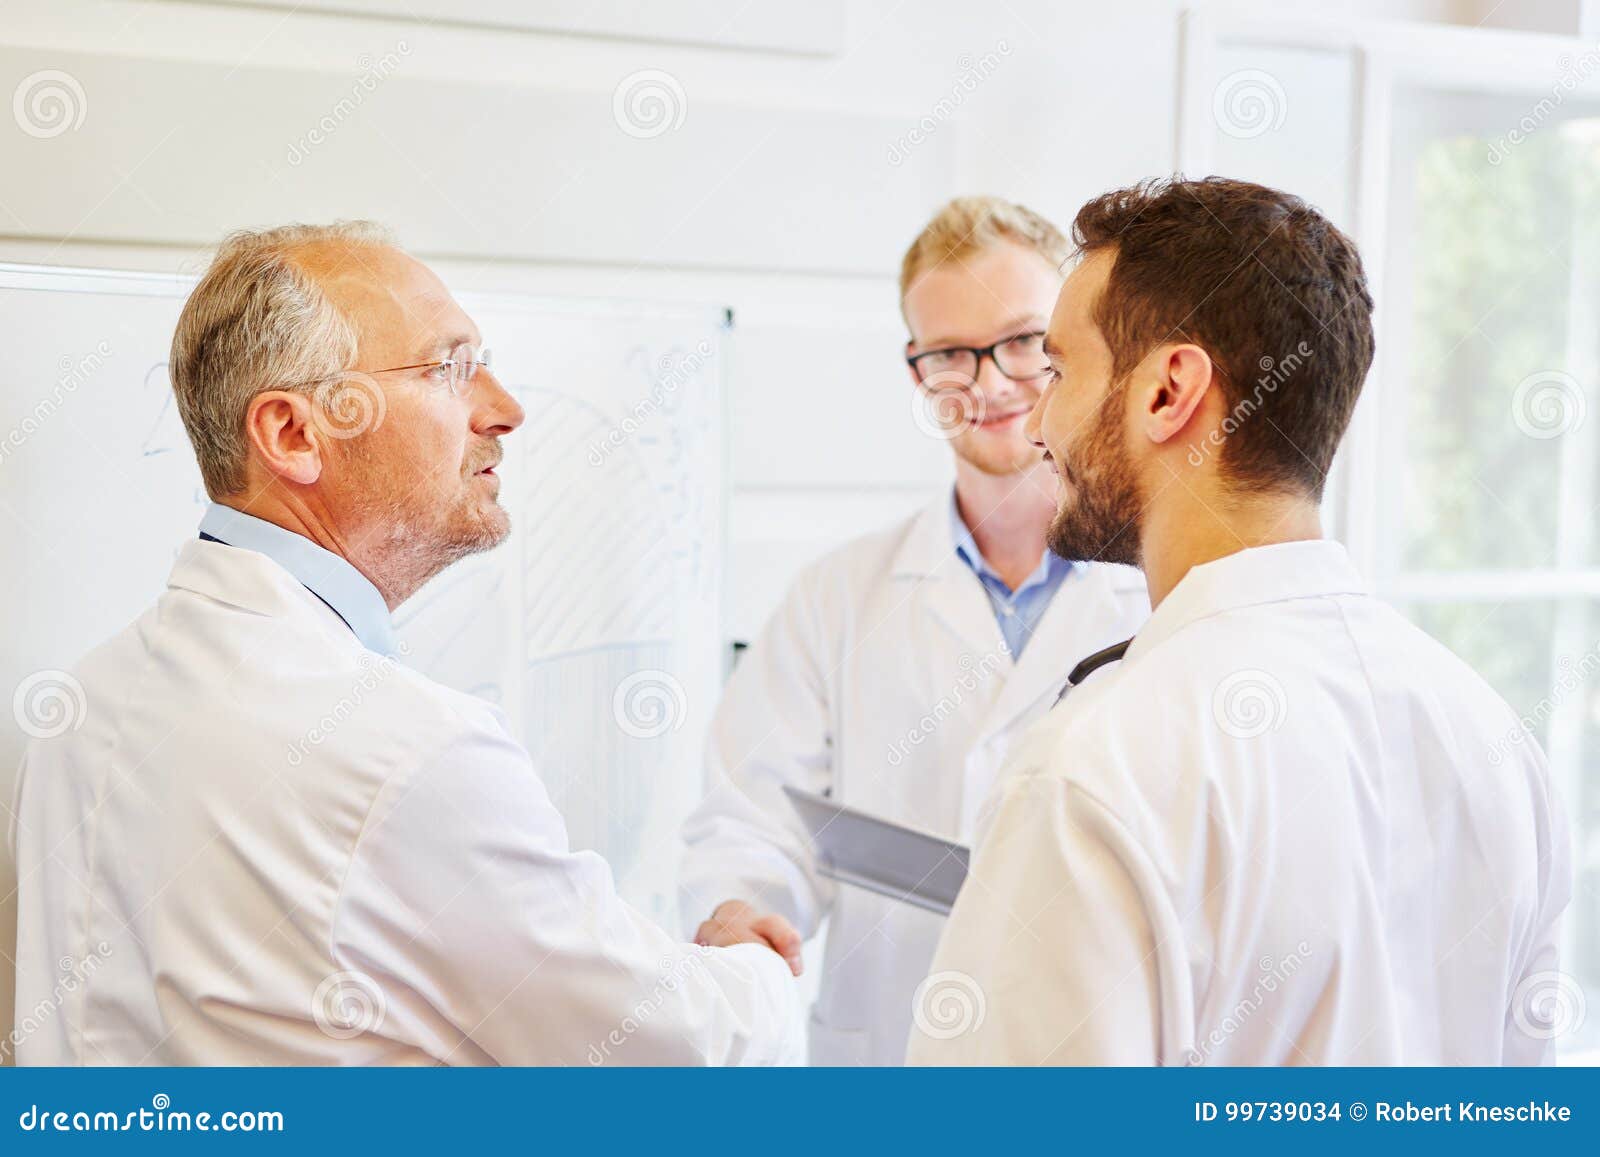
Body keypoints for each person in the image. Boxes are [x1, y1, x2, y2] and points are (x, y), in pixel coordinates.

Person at [8, 223, 800, 1065]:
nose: (504, 407)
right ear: (294, 434)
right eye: (448, 367)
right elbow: (674, 1056)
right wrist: (749, 962)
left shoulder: (82, 705)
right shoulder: (406, 749)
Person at [906, 177, 1571, 1066]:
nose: (1038, 425)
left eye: (1059, 370)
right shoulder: (1491, 735)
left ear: (1168, 390)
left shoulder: (1091, 774)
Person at [680, 197, 1149, 1065]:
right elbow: (752, 819)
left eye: (1022, 342)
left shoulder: (1157, 594)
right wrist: (743, 907)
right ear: (916, 371)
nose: (989, 383)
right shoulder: (835, 598)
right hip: (890, 1055)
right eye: (950, 355)